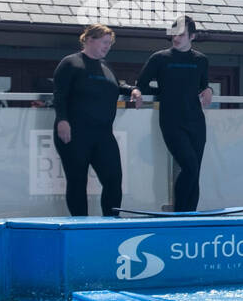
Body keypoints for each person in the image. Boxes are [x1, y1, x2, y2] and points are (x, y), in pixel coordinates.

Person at [52, 24, 142, 217]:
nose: (108, 46)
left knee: (113, 179)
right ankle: (80, 224)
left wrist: (132, 90)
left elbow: (117, 85)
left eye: (110, 43)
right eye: (104, 42)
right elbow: (60, 95)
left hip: (102, 134)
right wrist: (62, 120)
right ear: (89, 39)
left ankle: (110, 223)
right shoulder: (71, 63)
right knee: (77, 180)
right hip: (74, 132)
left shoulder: (105, 65)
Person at [136, 16, 213, 212]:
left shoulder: (201, 60)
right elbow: (142, 84)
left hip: (196, 122)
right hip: (171, 121)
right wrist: (160, 93)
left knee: (195, 171)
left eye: (181, 34)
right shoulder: (160, 58)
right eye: (174, 34)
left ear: (192, 36)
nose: (176, 38)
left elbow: (203, 84)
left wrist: (209, 89)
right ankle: (180, 212)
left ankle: (190, 214)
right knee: (189, 166)